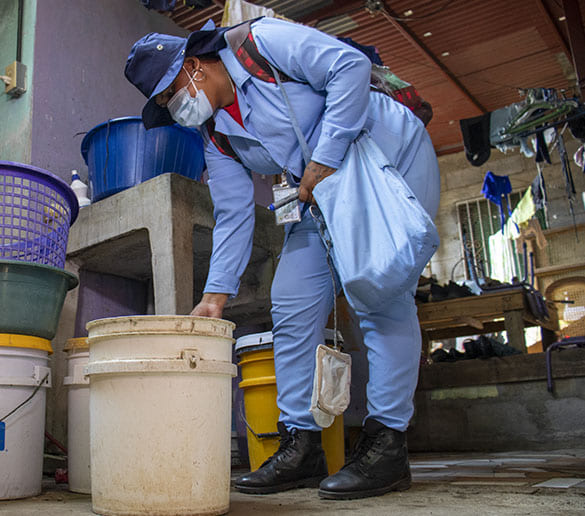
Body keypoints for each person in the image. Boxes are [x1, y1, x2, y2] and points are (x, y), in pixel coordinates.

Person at [124, 17, 440, 500]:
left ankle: (387, 443)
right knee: (290, 301)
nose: (177, 109)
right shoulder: (217, 134)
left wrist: (325, 157)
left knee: (380, 291)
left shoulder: (261, 43)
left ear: (192, 67)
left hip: (384, 159)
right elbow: (232, 214)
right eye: (167, 106)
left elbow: (350, 68)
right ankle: (301, 444)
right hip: (319, 191)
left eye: (171, 96)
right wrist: (214, 296)